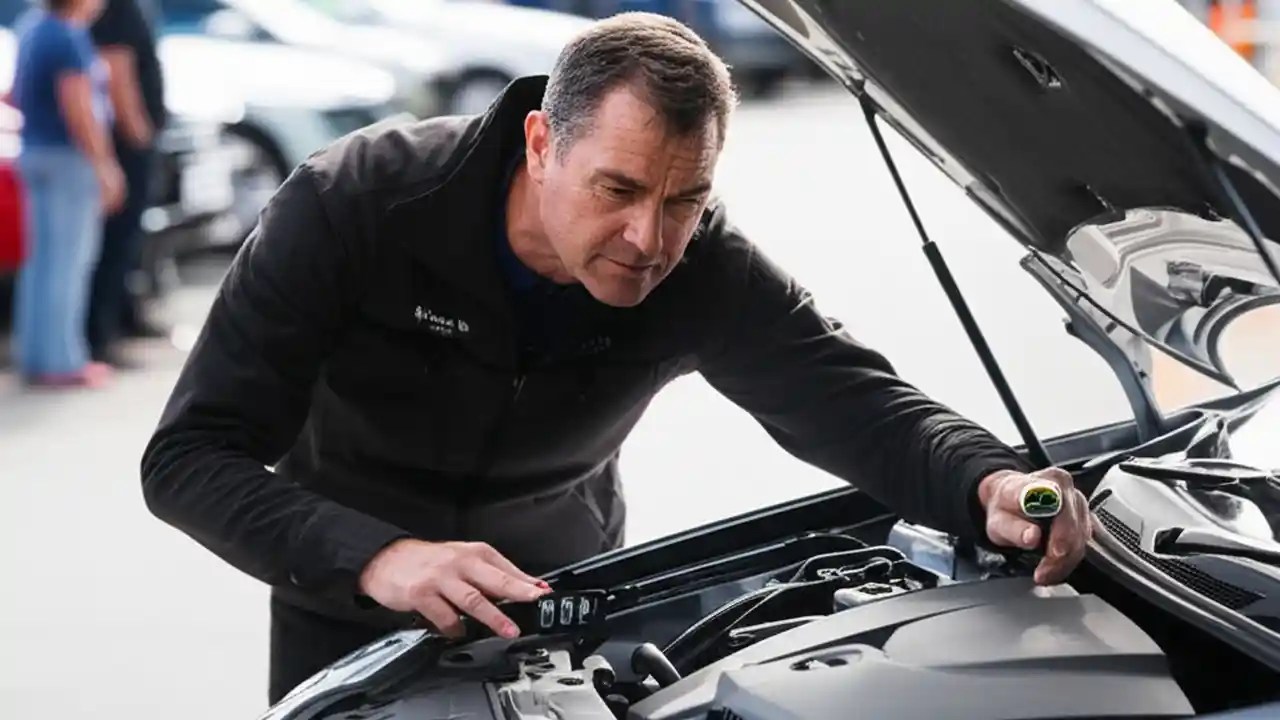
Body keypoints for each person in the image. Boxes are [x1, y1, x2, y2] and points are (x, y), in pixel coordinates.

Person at [140, 12, 1094, 705]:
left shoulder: (701, 265)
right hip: (345, 606)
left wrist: (989, 484)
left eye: (685, 199)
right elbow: (189, 459)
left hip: (562, 614)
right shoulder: (354, 206)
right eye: (619, 188)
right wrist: (379, 557)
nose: (649, 237)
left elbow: (858, 403)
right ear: (541, 141)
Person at [10, 0, 125, 388]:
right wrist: (104, 164)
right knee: (68, 264)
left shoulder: (33, 29)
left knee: (40, 264)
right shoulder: (67, 37)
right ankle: (62, 359)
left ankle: (36, 354)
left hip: (36, 152)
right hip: (66, 158)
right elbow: (79, 108)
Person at [86, 0, 166, 367]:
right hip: (125, 144)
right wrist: (140, 137)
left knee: (129, 241)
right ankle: (102, 336)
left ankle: (122, 319)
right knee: (115, 240)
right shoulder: (118, 8)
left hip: (127, 142)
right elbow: (117, 70)